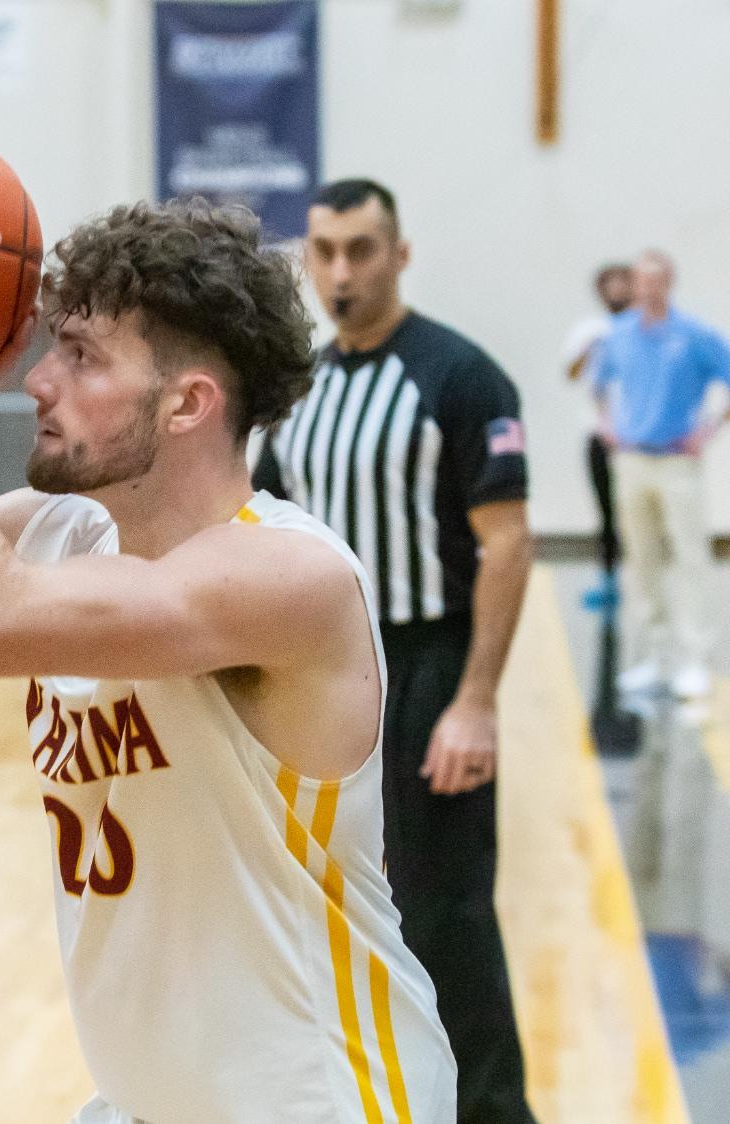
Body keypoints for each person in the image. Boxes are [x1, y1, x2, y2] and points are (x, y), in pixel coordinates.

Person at [0, 151, 454, 1122]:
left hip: (323, 1097)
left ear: (187, 402)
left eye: (81, 355)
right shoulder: (60, 528)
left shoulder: (285, 577)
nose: (36, 379)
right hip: (151, 1100)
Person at [254, 178, 536, 1124]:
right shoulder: (299, 390)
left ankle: (496, 1113)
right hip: (319, 671)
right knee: (324, 908)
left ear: (400, 254)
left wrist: (476, 699)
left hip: (426, 666)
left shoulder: (462, 377)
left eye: (362, 249)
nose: (342, 270)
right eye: (325, 250)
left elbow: (506, 541)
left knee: (447, 915)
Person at [592, 250, 730, 700]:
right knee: (641, 559)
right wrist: (609, 424)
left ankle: (694, 658)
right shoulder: (620, 334)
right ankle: (652, 655)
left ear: (669, 283)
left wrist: (711, 429)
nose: (647, 289)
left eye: (656, 281)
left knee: (688, 557)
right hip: (632, 459)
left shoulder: (695, 335)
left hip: (677, 460)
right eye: (640, 282)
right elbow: (598, 383)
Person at [563, 263, 634, 611]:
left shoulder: (642, 330)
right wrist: (592, 348)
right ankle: (609, 581)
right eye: (611, 284)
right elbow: (572, 373)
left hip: (637, 439)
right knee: (606, 510)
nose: (618, 290)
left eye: (624, 283)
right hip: (599, 434)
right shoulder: (592, 330)